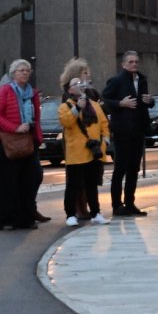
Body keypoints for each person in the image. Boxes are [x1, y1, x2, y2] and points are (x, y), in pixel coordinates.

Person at [0, 58, 47, 231]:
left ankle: (26, 218)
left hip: (28, 140)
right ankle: (8, 219)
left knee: (29, 179)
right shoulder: (5, 91)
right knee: (9, 182)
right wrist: (15, 127)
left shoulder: (32, 93)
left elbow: (36, 118)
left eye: (27, 70)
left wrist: (38, 137)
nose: (25, 73)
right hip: (9, 142)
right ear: (13, 73)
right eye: (21, 70)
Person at [101, 50, 154, 217]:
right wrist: (120, 103)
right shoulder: (117, 80)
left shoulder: (142, 80)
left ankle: (130, 203)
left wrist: (150, 101)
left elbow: (146, 102)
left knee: (134, 168)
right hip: (123, 130)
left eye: (136, 62)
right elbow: (104, 100)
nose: (134, 64)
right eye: (130, 62)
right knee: (120, 168)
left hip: (138, 129)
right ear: (123, 64)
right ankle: (117, 205)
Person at [58, 71, 110, 226]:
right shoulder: (65, 107)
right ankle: (70, 215)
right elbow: (66, 122)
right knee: (73, 185)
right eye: (76, 84)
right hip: (76, 153)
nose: (80, 86)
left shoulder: (94, 105)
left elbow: (103, 123)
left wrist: (105, 141)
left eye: (81, 83)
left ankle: (96, 213)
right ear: (70, 90)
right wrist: (77, 109)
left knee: (91, 185)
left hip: (93, 151)